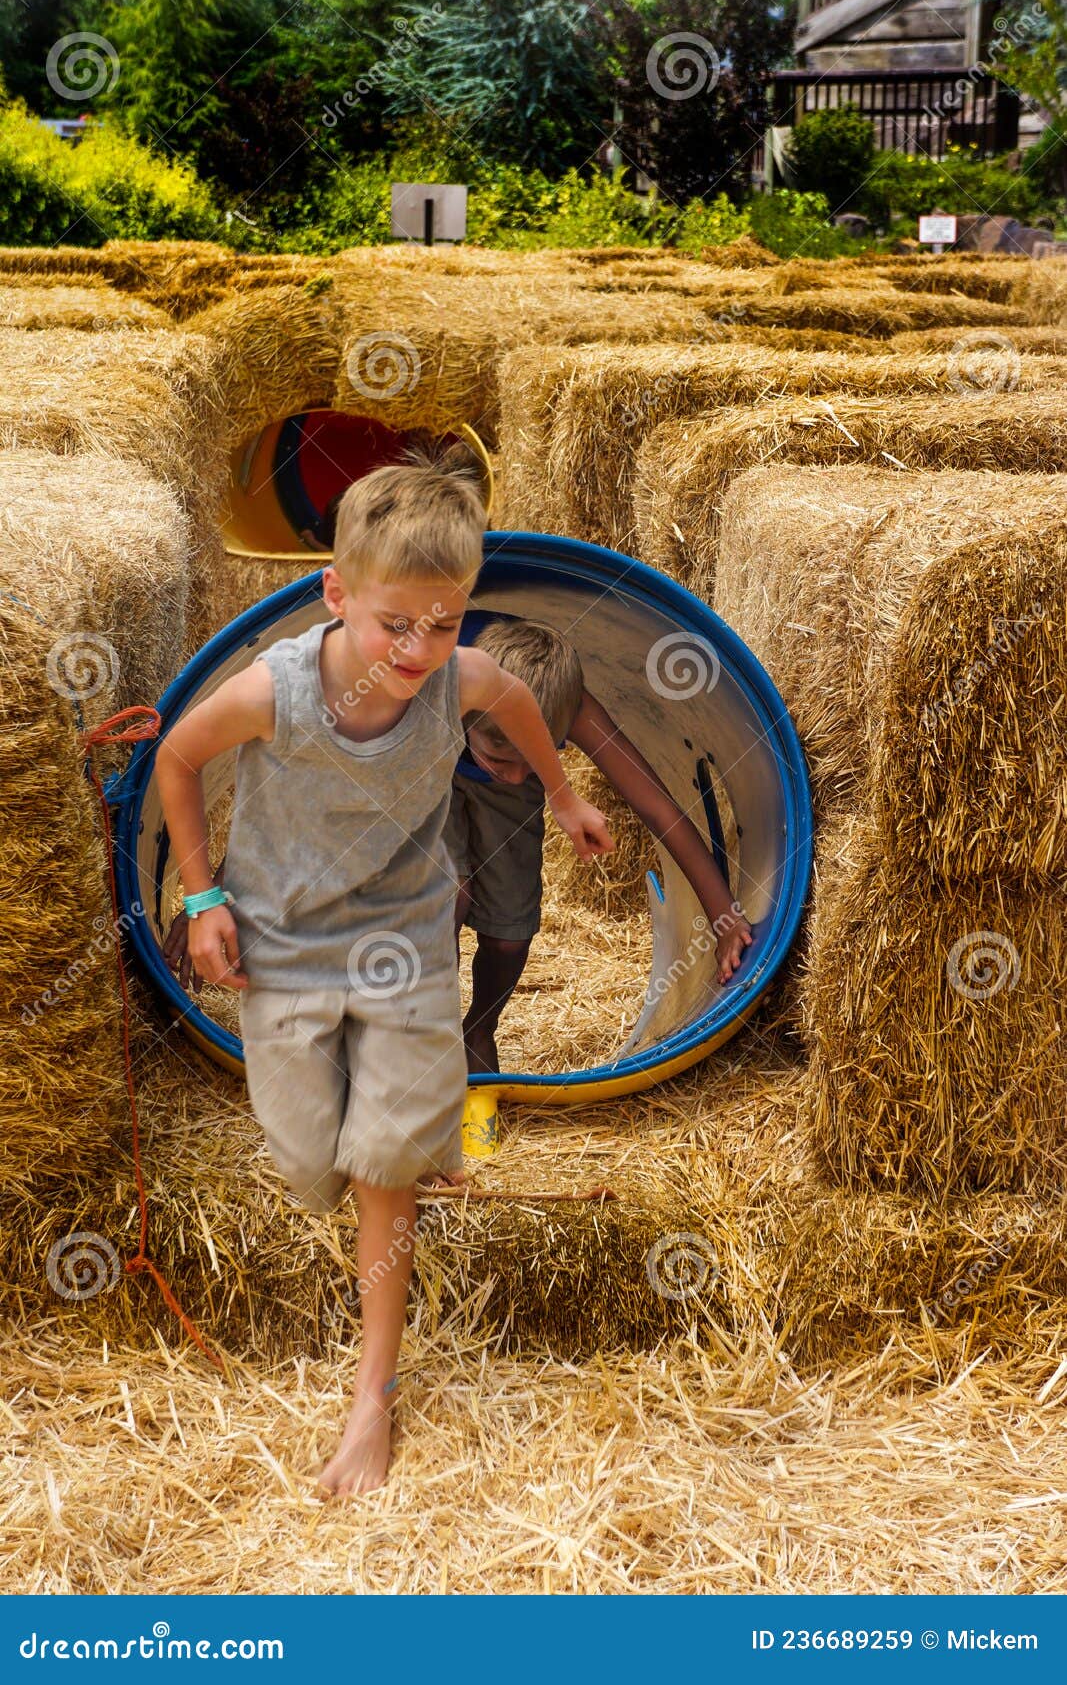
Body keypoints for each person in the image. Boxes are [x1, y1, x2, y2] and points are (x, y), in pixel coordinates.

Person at [154, 445, 612, 1497]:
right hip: (286, 940)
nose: (416, 648)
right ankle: (400, 1128)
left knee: (377, 1168)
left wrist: (566, 797)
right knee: (311, 1164)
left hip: (405, 939)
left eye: (443, 622)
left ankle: (374, 1396)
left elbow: (521, 707)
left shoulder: (461, 676)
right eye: (391, 622)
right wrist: (200, 894)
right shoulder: (274, 692)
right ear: (335, 594)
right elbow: (177, 757)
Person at [447, 617, 753, 1074]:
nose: (513, 773)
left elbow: (657, 807)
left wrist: (724, 917)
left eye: (531, 760)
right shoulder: (438, 676)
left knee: (509, 935)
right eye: (500, 758)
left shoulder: (569, 706)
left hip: (505, 803)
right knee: (446, 893)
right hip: (428, 771)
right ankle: (433, 1034)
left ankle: (479, 1028)